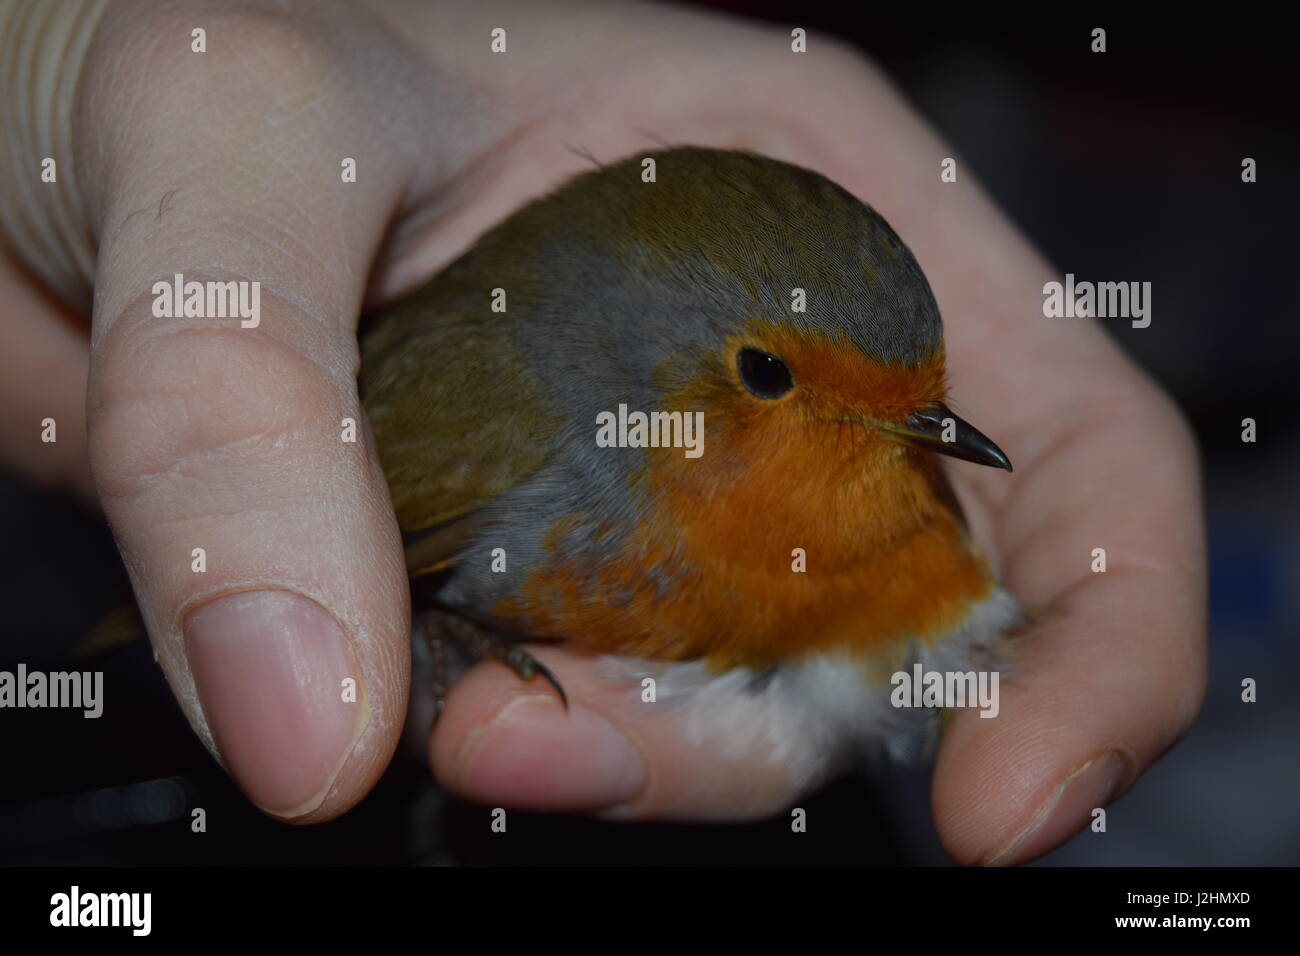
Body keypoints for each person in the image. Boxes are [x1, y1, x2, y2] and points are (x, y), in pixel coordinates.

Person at [0, 0, 1205, 864]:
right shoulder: (492, 437)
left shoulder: (866, 499)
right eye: (775, 375)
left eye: (916, 404)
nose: (917, 438)